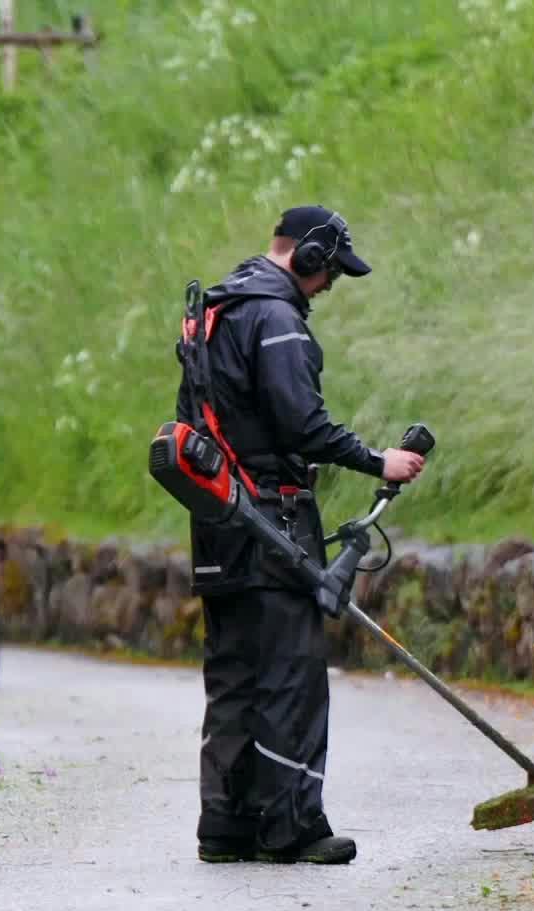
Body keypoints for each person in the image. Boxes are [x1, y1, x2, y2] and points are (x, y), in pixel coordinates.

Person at [176, 205, 425, 866]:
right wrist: (378, 461)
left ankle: (226, 824)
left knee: (233, 674)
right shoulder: (275, 318)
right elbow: (300, 424)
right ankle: (293, 826)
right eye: (330, 274)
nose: (328, 287)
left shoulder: (216, 313)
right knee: (291, 673)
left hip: (218, 521)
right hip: (272, 522)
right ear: (308, 255)